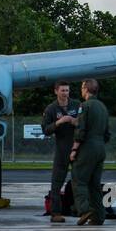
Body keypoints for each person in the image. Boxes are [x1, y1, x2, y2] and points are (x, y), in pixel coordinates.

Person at [69, 78, 109, 226]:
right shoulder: (103, 107)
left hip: (88, 146)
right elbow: (107, 133)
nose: (81, 90)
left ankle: (84, 210)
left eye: (82, 87)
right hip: (100, 147)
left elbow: (81, 130)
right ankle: (99, 215)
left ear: (86, 88)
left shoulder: (85, 106)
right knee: (94, 184)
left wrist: (74, 149)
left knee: (78, 179)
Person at [42, 80, 78, 223]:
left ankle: (81, 210)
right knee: (56, 182)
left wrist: (75, 121)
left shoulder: (76, 105)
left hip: (77, 148)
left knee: (79, 181)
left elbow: (84, 122)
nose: (65, 93)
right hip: (62, 149)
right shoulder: (51, 109)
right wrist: (60, 122)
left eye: (67, 90)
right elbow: (45, 130)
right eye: (62, 90)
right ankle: (56, 213)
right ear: (56, 91)